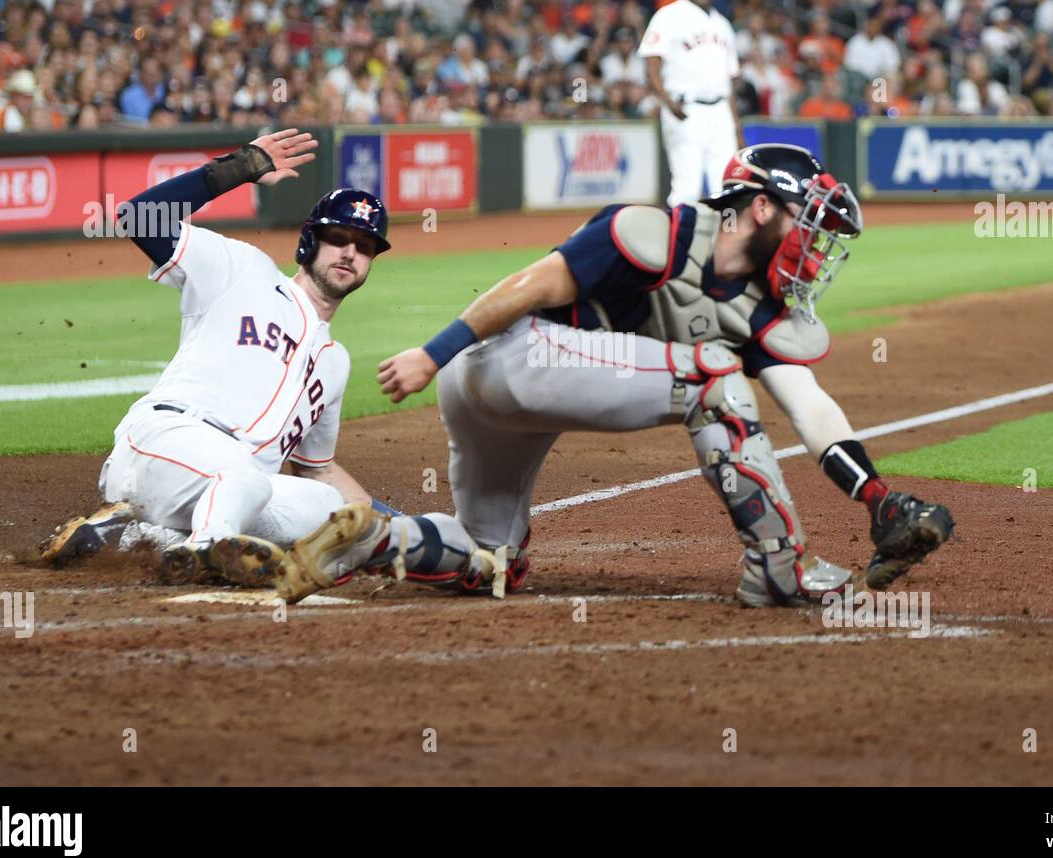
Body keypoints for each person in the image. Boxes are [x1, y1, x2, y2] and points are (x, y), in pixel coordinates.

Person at [375, 144, 955, 608]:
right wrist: (433, 354)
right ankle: (780, 569)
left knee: (489, 558)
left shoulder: (758, 309)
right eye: (806, 223)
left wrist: (877, 497)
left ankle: (369, 538)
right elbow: (529, 286)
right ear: (760, 207)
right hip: (507, 357)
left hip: (510, 398)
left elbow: (811, 408)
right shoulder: (655, 233)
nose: (813, 247)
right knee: (713, 376)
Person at [39, 129, 504, 603]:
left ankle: (133, 536)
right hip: (164, 445)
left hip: (234, 490)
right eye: (338, 238)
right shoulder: (243, 270)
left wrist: (409, 531)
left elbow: (317, 471)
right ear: (309, 243)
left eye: (364, 247)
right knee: (240, 475)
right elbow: (138, 217)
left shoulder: (334, 363)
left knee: (329, 512)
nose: (350, 252)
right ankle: (204, 552)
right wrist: (239, 167)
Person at [639, 0, 742, 207]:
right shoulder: (668, 16)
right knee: (687, 190)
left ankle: (720, 247)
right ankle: (679, 246)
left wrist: (735, 124)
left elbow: (728, 83)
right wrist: (667, 102)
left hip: (719, 111)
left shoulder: (723, 25)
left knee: (726, 189)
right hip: (685, 107)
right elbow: (651, 65)